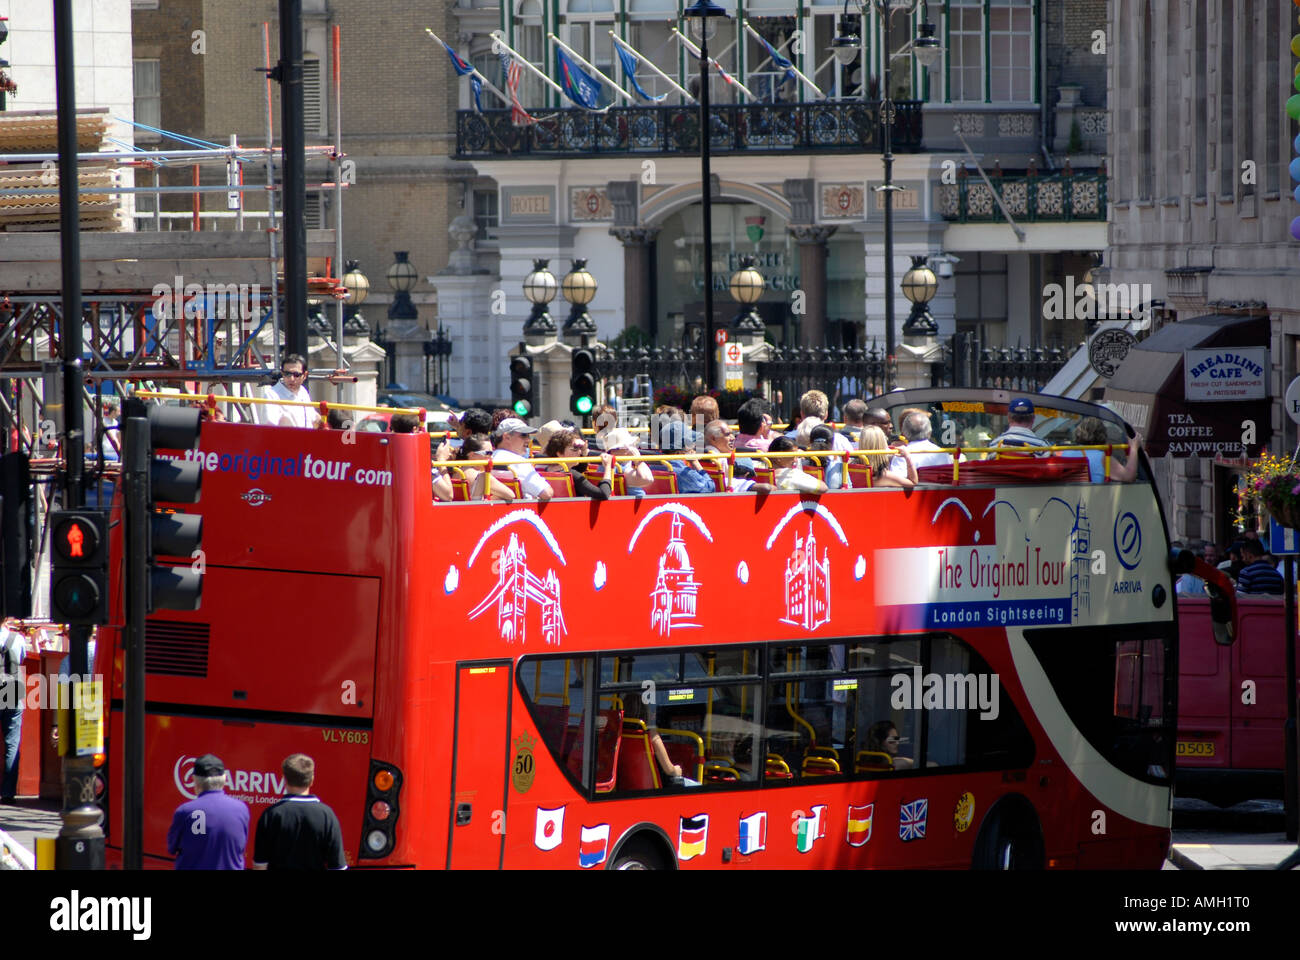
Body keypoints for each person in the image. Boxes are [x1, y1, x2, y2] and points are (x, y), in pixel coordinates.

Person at [252, 754, 347, 870]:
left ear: (284, 780)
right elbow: (337, 866)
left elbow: (260, 865)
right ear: (312, 780)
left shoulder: (270, 815)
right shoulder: (327, 815)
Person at [166, 754, 250, 870]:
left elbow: (172, 848)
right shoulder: (242, 809)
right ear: (225, 779)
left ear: (195, 781)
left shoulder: (185, 811)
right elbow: (240, 847)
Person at [434, 435, 515, 502]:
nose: (491, 457)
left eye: (492, 453)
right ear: (472, 455)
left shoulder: (457, 471)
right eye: (488, 453)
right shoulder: (484, 476)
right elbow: (511, 495)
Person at [490, 418, 553, 501]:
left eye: (528, 436)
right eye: (523, 435)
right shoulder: (519, 462)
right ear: (507, 437)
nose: (528, 440)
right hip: (523, 511)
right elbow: (547, 493)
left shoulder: (488, 459)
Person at [1063, 416, 1141, 482]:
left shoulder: (1066, 452)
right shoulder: (1103, 457)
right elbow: (1129, 476)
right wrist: (1134, 448)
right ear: (1102, 435)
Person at [0, 622, 28, 802]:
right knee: (12, 743)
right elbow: (22, 659)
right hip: (11, 690)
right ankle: (8, 792)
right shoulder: (17, 638)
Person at [544, 429, 612, 500]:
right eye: (575, 449)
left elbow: (580, 469)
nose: (579, 452)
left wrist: (584, 453)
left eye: (580, 448)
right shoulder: (572, 474)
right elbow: (603, 494)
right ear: (559, 453)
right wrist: (608, 467)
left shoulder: (547, 470)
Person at [890, 409, 960, 471]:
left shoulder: (901, 456)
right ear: (930, 432)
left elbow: (896, 480)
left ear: (904, 432)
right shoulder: (943, 454)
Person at [260, 354, 312, 428]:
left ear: (305, 375)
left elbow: (313, 418)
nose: (291, 379)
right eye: (287, 374)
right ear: (282, 373)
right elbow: (270, 428)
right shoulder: (271, 395)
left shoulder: (303, 392)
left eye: (296, 374)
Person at [601, 427, 655, 495]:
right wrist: (638, 459)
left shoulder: (603, 467)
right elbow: (648, 479)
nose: (632, 448)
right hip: (637, 504)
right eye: (629, 445)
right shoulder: (620, 469)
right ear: (613, 451)